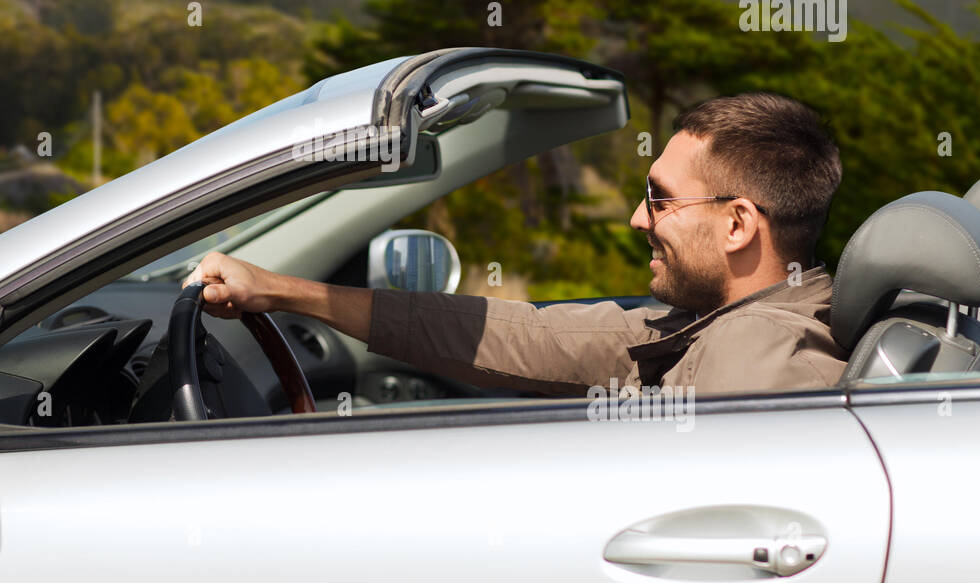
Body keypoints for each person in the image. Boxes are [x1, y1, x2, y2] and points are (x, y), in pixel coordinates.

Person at [184, 91, 847, 397]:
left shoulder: (764, 359)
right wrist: (279, 291)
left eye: (660, 199)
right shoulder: (709, 325)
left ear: (736, 225)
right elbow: (525, 335)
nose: (636, 221)